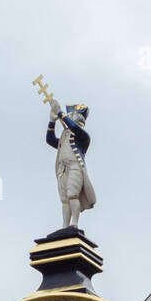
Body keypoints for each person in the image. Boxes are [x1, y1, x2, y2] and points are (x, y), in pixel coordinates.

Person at [46, 99, 96, 231]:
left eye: (70, 115)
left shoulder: (83, 136)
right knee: (64, 199)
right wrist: (52, 121)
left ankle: (74, 223)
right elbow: (50, 140)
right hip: (63, 169)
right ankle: (65, 226)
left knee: (72, 194)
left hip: (75, 167)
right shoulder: (65, 136)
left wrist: (60, 113)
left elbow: (74, 127)